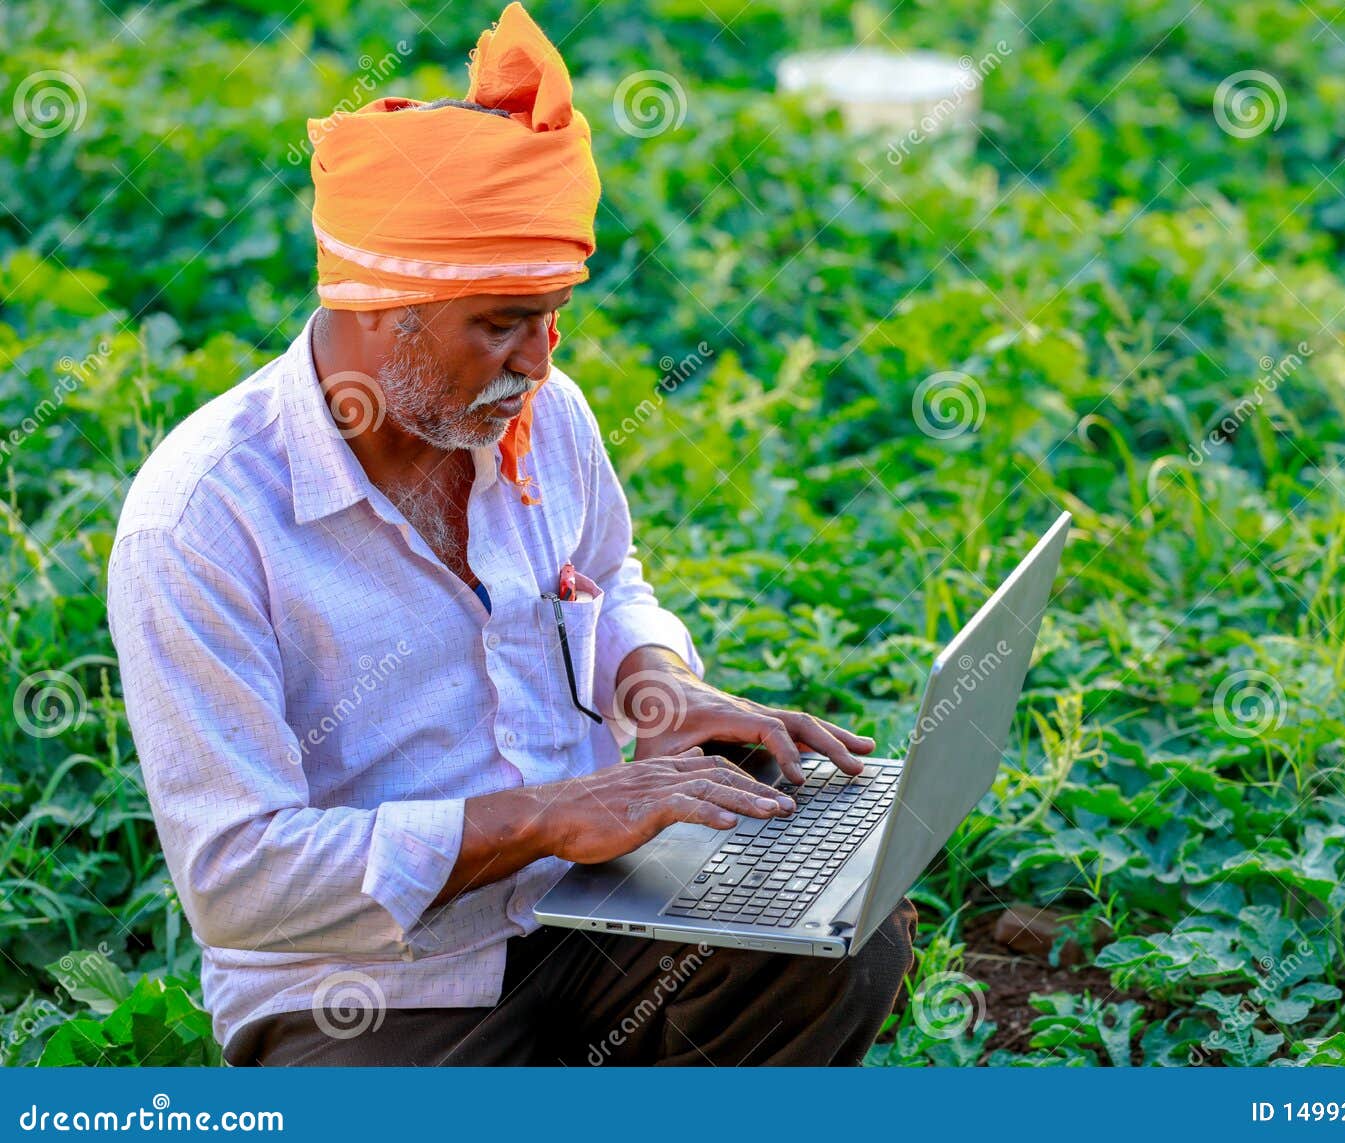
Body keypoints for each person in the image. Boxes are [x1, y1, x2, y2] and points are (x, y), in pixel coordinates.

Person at [105, 1, 913, 1066]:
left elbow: (607, 578)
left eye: (552, 312)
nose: (540, 359)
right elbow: (239, 881)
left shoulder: (540, 416)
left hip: (592, 915)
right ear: (378, 308)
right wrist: (541, 815)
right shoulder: (202, 523)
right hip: (373, 986)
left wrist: (661, 685)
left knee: (843, 939)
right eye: (500, 322)